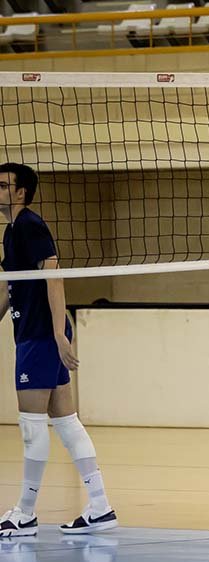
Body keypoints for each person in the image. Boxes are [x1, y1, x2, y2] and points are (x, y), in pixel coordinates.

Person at [0, 162, 117, 538]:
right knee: (66, 421)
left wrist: (58, 335)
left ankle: (26, 514)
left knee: (32, 425)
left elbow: (54, 274)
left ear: (20, 192)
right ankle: (100, 506)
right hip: (34, 334)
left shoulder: (30, 225)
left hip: (40, 336)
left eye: (3, 186)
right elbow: (9, 287)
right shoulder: (11, 231)